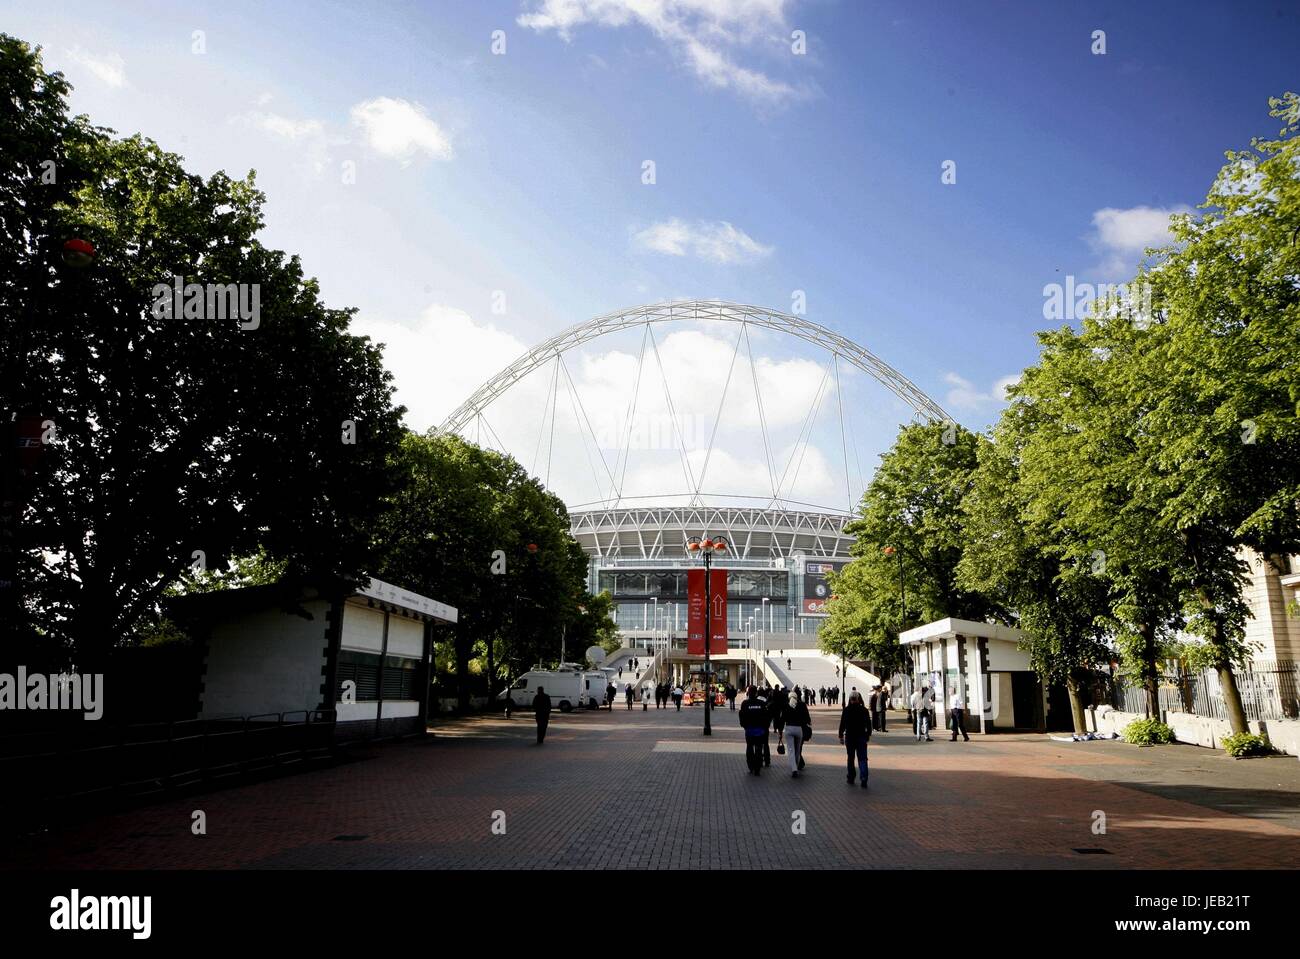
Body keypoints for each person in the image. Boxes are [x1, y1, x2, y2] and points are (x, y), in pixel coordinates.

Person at [839, 690, 872, 788]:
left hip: (850, 737)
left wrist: (840, 735)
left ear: (850, 699)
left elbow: (842, 724)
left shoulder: (846, 710)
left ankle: (851, 777)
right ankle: (864, 777)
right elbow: (868, 724)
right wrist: (868, 734)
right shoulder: (864, 710)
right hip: (861, 736)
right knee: (862, 758)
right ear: (858, 699)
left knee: (850, 757)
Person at [739, 686, 769, 775]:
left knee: (749, 747)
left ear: (748, 693)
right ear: (756, 693)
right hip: (760, 730)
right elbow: (766, 716)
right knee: (759, 748)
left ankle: (751, 765)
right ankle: (758, 767)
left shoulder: (745, 703)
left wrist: (744, 726)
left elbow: (742, 715)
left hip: (749, 729)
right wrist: (765, 727)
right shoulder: (761, 703)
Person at [782, 688, 811, 777]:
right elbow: (807, 718)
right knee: (798, 750)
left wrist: (779, 730)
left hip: (789, 728)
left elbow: (782, 718)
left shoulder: (786, 705)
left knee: (791, 750)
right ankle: (797, 764)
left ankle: (794, 769)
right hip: (799, 729)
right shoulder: (802, 705)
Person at [771, 685, 787, 755]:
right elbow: (784, 701)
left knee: (775, 719)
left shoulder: (773, 692)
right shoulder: (781, 693)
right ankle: (780, 731)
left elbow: (771, 700)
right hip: (781, 710)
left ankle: (775, 729)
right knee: (781, 720)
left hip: (775, 709)